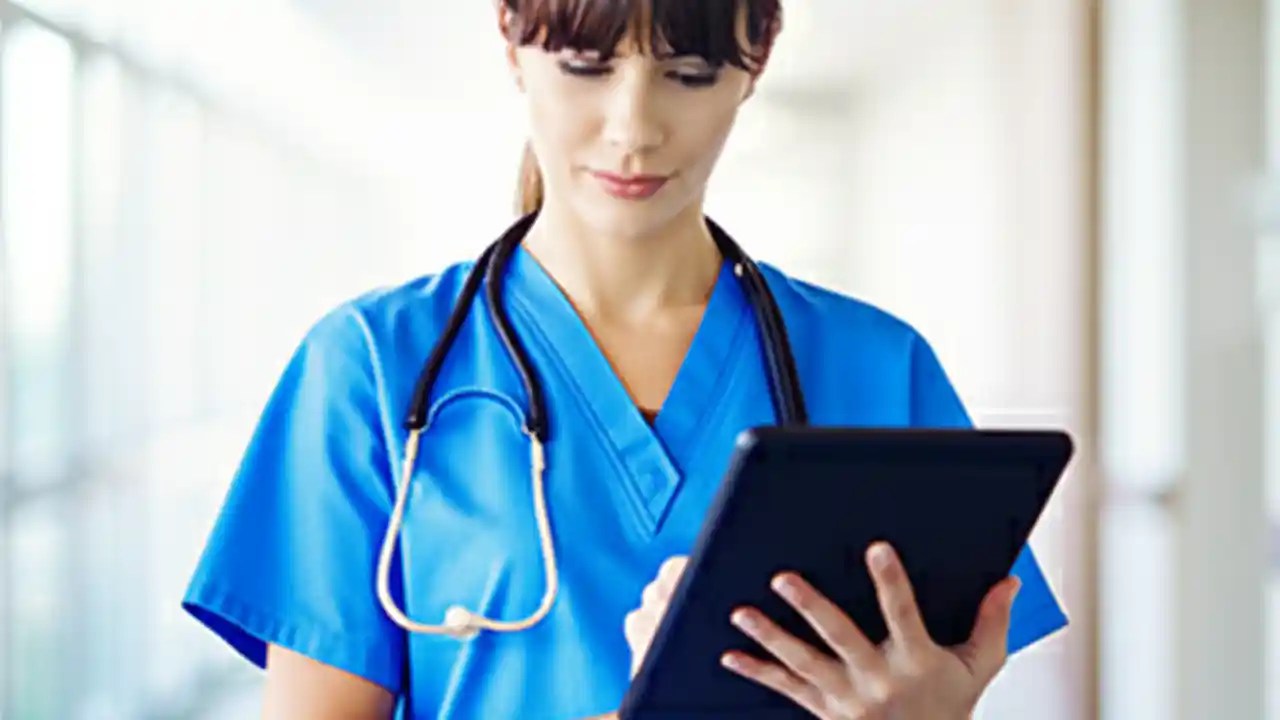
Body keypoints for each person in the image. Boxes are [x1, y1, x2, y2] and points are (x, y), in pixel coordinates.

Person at [182, 1, 1068, 718]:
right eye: (586, 67)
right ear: (512, 42)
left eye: (689, 74)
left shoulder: (878, 370)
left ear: (756, 59)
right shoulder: (373, 369)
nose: (634, 127)